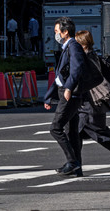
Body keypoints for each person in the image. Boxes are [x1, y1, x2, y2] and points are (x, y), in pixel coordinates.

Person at [74, 29, 110, 166]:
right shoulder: (88, 56)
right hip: (86, 104)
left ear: (83, 44)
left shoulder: (89, 58)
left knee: (100, 135)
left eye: (76, 42)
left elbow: (100, 83)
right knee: (77, 134)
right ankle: (75, 163)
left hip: (92, 106)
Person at [44, 17, 86, 176]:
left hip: (71, 94)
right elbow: (59, 77)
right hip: (68, 93)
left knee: (55, 128)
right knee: (71, 132)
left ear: (65, 31)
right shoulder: (67, 47)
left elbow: (76, 69)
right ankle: (77, 167)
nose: (55, 34)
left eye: (56, 31)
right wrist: (49, 96)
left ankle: (72, 161)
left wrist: (68, 88)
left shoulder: (73, 46)